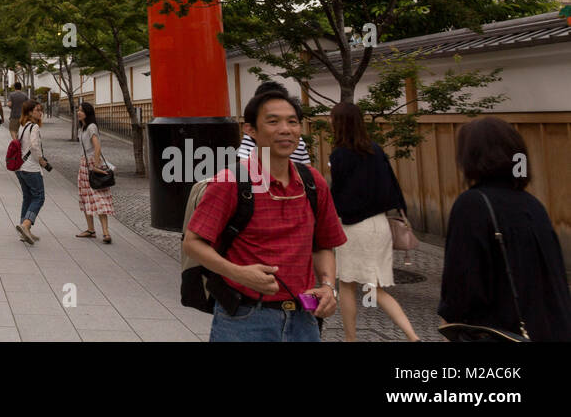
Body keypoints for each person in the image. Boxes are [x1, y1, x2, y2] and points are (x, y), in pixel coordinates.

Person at [183, 82, 346, 342]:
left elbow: (324, 245)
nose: (285, 130)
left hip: (304, 318)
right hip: (244, 319)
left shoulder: (313, 182)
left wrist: (328, 286)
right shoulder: (231, 182)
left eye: (292, 122)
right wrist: (237, 272)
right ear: (251, 130)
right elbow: (193, 243)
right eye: (273, 122)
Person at [438, 116, 571, 341]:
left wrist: (449, 324)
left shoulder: (472, 204)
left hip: (501, 333)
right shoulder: (533, 204)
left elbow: (462, 287)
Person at [327, 101, 419, 341]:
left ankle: (350, 339)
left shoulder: (339, 155)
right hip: (381, 224)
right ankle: (412, 336)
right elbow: (393, 188)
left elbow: (338, 195)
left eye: (331, 118)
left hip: (355, 228)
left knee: (348, 284)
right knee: (373, 287)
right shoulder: (376, 150)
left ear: (340, 123)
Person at [74, 101, 115, 244]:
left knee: (100, 197)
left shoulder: (91, 127)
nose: (79, 112)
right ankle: (91, 229)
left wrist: (96, 165)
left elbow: (97, 147)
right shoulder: (82, 128)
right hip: (84, 164)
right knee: (85, 196)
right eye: (78, 110)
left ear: (88, 113)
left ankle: (106, 232)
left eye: (81, 111)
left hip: (92, 164)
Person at [14, 100, 48, 244]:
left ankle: (24, 231)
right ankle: (26, 225)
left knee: (27, 198)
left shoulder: (23, 126)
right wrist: (40, 159)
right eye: (37, 110)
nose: (40, 112)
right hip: (31, 167)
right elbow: (34, 146)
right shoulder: (33, 127)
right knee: (39, 197)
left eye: (41, 110)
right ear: (29, 112)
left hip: (20, 167)